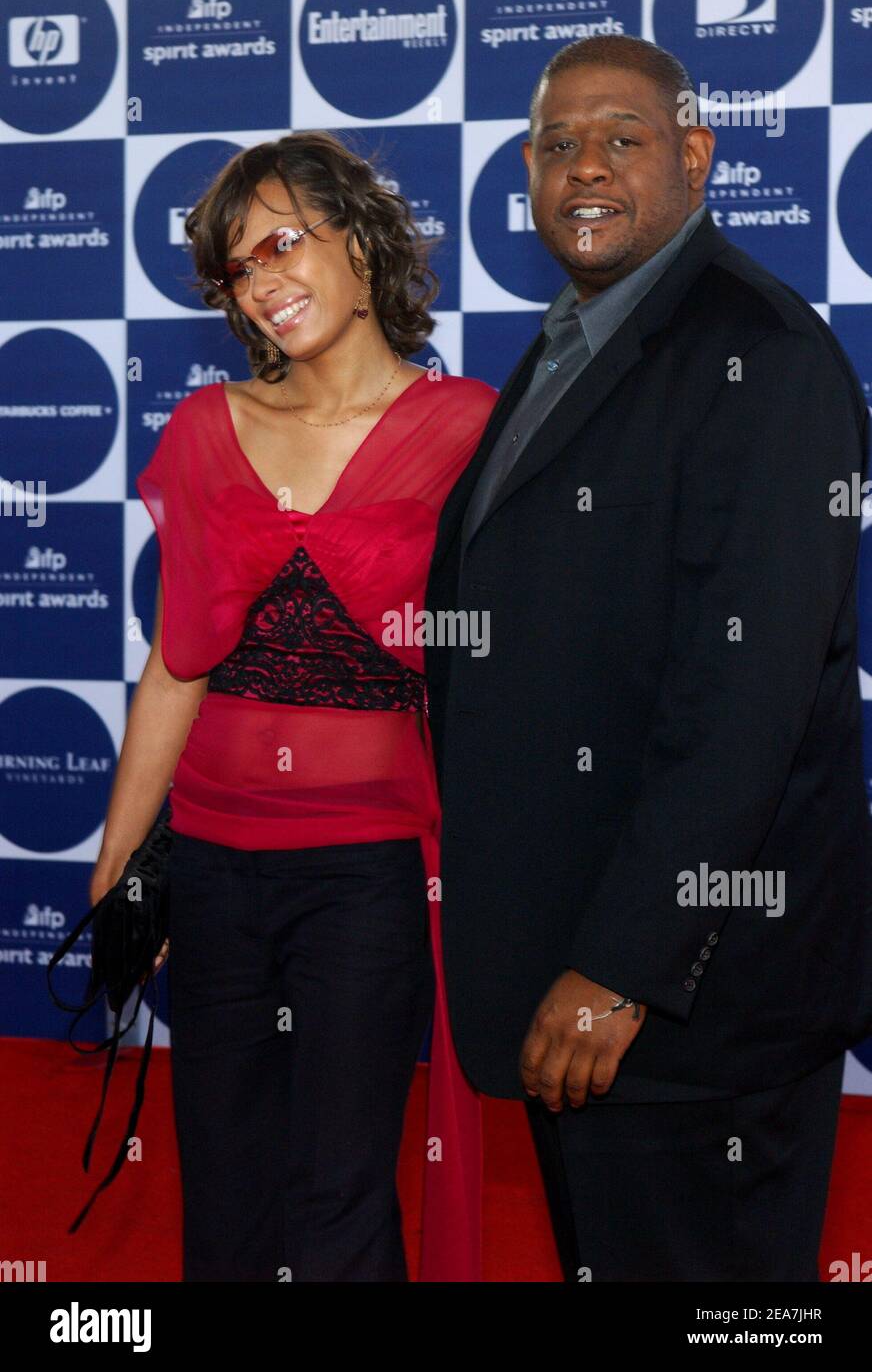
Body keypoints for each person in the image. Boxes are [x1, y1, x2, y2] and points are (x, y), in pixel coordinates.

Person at [425, 35, 872, 1282]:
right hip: (582, 991)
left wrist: (619, 968)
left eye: (621, 137)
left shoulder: (762, 356)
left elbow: (744, 704)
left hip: (689, 1012)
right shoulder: (571, 341)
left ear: (693, 154)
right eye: (556, 142)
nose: (583, 166)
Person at [91, 132, 496, 1282]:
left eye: (280, 241)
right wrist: (123, 857)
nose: (261, 279)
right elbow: (177, 663)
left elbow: (504, 677)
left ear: (362, 248)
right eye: (234, 267)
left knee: (339, 1179)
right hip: (212, 857)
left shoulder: (471, 431)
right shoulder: (206, 430)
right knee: (221, 1171)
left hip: (371, 868)